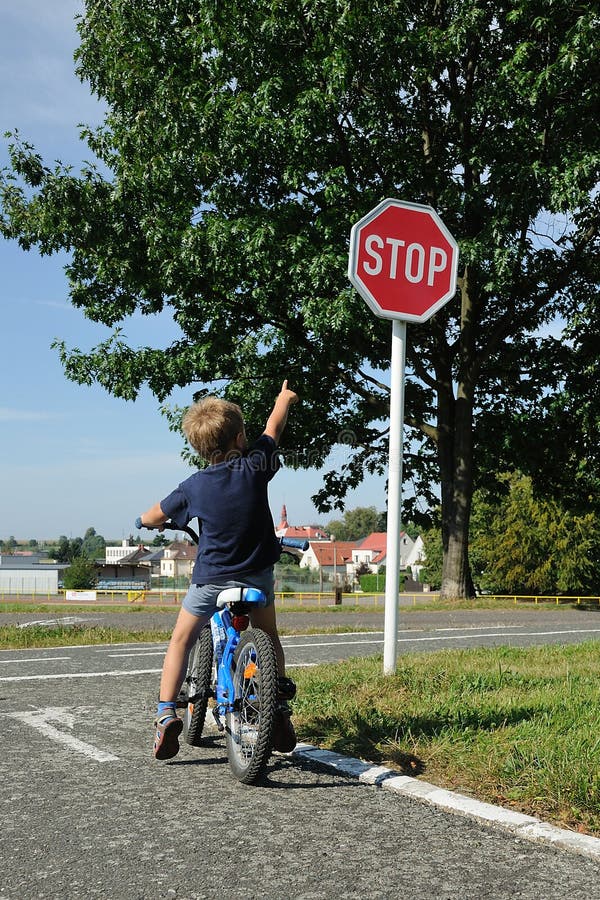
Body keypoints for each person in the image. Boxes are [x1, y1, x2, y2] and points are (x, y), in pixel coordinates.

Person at [137, 380, 299, 760]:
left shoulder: (193, 486)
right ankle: (275, 706)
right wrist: (283, 399)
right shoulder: (256, 465)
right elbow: (273, 428)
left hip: (210, 580)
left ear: (198, 447)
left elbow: (155, 513)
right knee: (269, 634)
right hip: (257, 575)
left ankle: (165, 715)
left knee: (181, 640)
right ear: (240, 437)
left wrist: (146, 521)